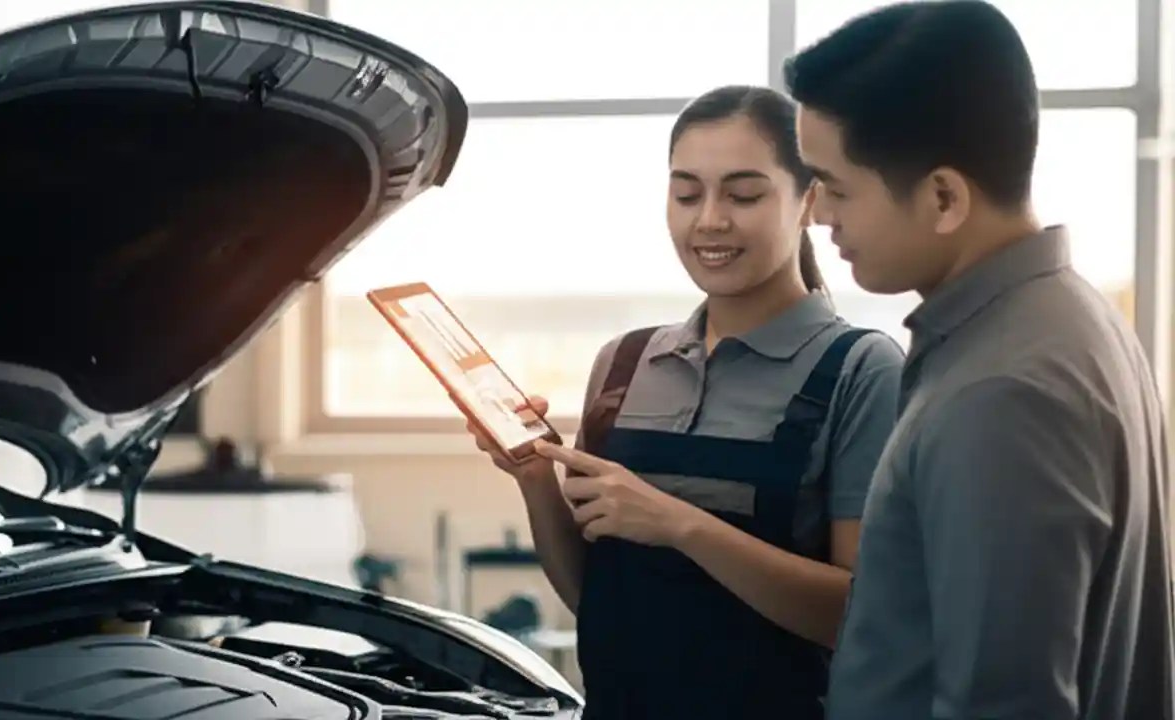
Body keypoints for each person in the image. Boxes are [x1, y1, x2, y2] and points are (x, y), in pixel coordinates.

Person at [783, 2, 1175, 719]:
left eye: (836, 187)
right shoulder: (1067, 318)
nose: (816, 216)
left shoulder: (1002, 394)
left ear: (943, 197)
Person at [466, 85, 904, 719]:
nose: (710, 221)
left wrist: (678, 524)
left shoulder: (862, 370)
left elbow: (861, 617)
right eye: (687, 193)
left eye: (744, 194)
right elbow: (598, 598)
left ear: (808, 199)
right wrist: (535, 477)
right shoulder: (623, 364)